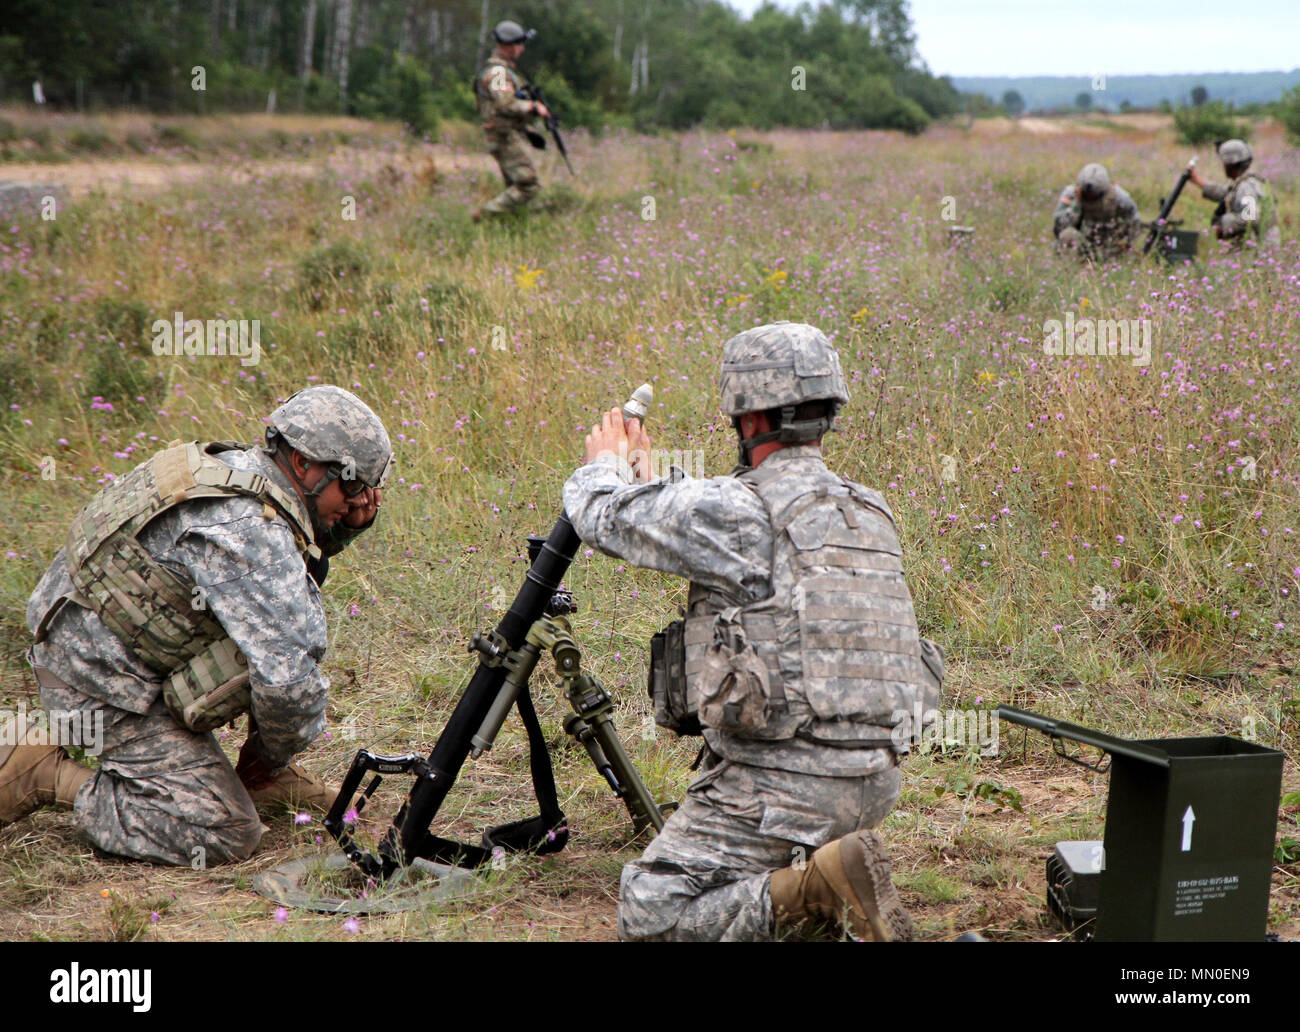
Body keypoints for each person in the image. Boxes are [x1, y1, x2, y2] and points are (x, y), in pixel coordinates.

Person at [562, 322, 944, 942]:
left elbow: (601, 515)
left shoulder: (737, 508)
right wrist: (652, 480)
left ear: (746, 416)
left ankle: (816, 890)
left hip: (785, 786)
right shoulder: (870, 509)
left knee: (650, 908)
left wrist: (605, 463)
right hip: (874, 782)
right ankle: (821, 882)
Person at [0, 386, 391, 866]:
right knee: (223, 829)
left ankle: (263, 777)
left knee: (284, 613)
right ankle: (43, 771)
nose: (359, 500)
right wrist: (270, 753)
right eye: (350, 485)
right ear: (304, 464)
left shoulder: (243, 470)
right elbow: (289, 685)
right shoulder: (248, 528)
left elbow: (299, 569)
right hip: (96, 681)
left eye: (368, 489)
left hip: (103, 640)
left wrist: (345, 523)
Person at [472, 20, 551, 221]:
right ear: (508, 45)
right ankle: (484, 216)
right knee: (528, 185)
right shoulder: (498, 72)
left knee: (514, 187)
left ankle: (511, 228)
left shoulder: (505, 71)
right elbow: (505, 104)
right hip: (504, 136)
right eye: (520, 43)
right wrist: (533, 107)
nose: (522, 49)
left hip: (509, 134)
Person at [1188, 139, 1279, 249]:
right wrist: (1197, 180)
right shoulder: (1243, 182)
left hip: (1258, 250)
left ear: (1231, 165)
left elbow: (1250, 217)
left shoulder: (1246, 187)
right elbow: (1226, 194)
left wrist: (1223, 225)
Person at [1053, 162, 1141, 260]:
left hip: (1110, 242)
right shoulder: (1071, 194)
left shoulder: (1118, 197)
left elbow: (1134, 220)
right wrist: (1077, 203)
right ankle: (1072, 265)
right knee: (1068, 234)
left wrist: (1127, 242)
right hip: (1083, 241)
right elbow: (1060, 225)